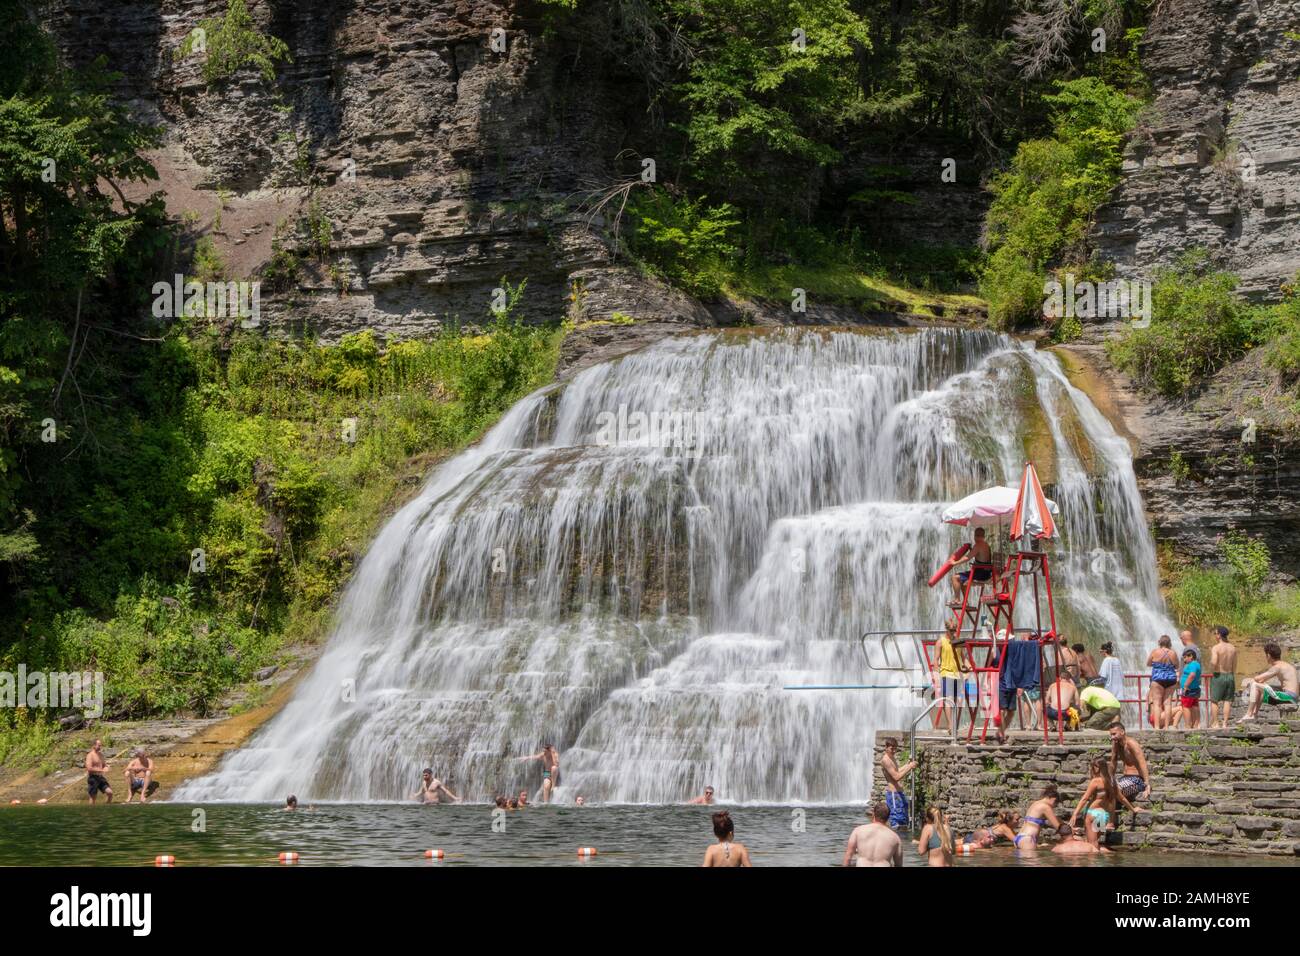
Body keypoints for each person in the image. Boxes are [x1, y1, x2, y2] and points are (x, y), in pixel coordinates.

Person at [1070, 756, 1146, 847]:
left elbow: (1084, 799)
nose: (1091, 769)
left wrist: (1075, 813)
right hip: (1103, 816)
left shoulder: (1095, 782)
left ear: (1097, 768)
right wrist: (1133, 809)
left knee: (1092, 845)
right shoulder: (1112, 781)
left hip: (1093, 813)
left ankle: (1094, 855)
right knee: (1093, 841)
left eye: (1092, 766)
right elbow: (1121, 798)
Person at [1242, 642, 1300, 720]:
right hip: (1293, 697)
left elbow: (1257, 679)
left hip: (1288, 697)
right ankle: (1254, 714)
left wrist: (1250, 682)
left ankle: (1249, 714)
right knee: (1260, 687)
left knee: (1255, 684)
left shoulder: (1277, 667)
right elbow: (1262, 680)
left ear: (1268, 655)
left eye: (1266, 656)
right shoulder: (1286, 665)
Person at [842, 802, 903, 867]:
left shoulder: (858, 831)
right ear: (888, 818)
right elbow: (898, 865)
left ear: (873, 814)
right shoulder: (895, 838)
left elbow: (848, 857)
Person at [1109, 721, 1151, 806]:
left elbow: (1142, 762)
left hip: (1137, 780)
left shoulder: (1131, 743)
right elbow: (1113, 762)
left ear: (1122, 732)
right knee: (1103, 788)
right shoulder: (1116, 744)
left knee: (1114, 790)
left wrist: (1147, 784)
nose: (1112, 737)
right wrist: (1110, 779)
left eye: (1114, 734)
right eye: (1111, 735)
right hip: (1124, 778)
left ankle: (1131, 809)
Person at [936, 620, 968, 729]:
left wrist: (970, 668)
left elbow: (963, 658)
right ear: (946, 629)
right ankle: (950, 725)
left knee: (957, 700)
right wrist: (936, 677)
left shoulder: (958, 642)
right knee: (949, 699)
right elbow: (935, 660)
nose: (953, 632)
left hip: (957, 674)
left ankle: (954, 724)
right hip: (946, 673)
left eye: (954, 630)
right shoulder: (940, 642)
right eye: (951, 630)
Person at [879, 737, 917, 830]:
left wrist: (907, 765)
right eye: (892, 748)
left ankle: (903, 839)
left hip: (899, 794)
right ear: (886, 747)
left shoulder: (891, 758)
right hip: (893, 794)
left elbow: (897, 771)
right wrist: (910, 767)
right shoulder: (885, 760)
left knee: (904, 821)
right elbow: (896, 777)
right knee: (897, 822)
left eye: (895, 748)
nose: (894, 751)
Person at [950, 527, 994, 603]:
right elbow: (980, 556)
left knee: (955, 578)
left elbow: (967, 558)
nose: (975, 538)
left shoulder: (978, 545)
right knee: (963, 580)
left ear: (976, 536)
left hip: (981, 574)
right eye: (975, 536)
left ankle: (957, 599)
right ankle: (965, 601)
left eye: (976, 536)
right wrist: (972, 550)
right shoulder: (986, 545)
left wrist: (955, 563)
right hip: (986, 573)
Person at [1146, 635, 1179, 729]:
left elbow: (1148, 663)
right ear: (1169, 643)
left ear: (1159, 642)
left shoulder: (1155, 652)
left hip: (1157, 678)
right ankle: (1166, 727)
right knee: (1168, 703)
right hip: (1170, 678)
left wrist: (1157, 664)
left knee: (1157, 703)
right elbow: (1177, 666)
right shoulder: (1173, 653)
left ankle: (1157, 727)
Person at [1208, 626, 1238, 728]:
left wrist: (1211, 669)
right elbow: (1234, 665)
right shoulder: (1233, 648)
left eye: (1215, 633)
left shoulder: (1216, 648)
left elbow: (1214, 662)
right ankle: (1225, 723)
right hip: (1230, 675)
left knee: (1214, 700)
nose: (1215, 636)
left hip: (1218, 675)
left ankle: (1216, 723)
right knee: (1227, 700)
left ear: (1219, 635)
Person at [1178, 647, 1203, 729]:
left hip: (1189, 690)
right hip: (1194, 689)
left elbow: (1192, 675)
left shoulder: (1193, 664)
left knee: (1186, 706)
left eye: (1185, 657)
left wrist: (1185, 686)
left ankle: (1188, 725)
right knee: (1195, 706)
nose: (1184, 660)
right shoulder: (1196, 664)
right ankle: (1196, 724)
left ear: (1191, 656)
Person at [85, 740, 113, 804]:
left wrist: (107, 767)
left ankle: (106, 807)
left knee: (110, 793)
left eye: (100, 745)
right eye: (99, 745)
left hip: (100, 777)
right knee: (93, 797)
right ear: (94, 745)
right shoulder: (90, 755)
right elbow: (89, 768)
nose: (100, 747)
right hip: (93, 778)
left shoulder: (100, 754)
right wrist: (102, 770)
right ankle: (91, 809)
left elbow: (104, 765)